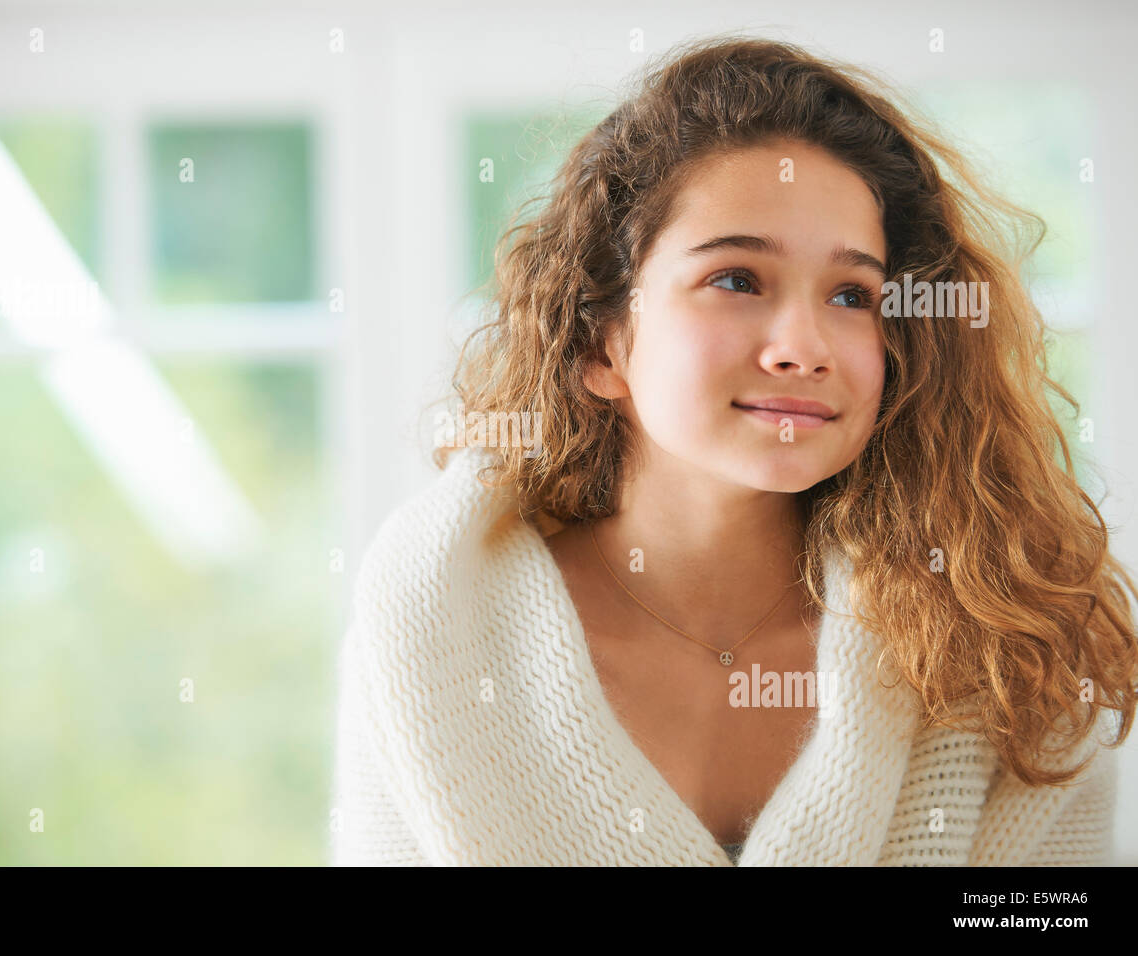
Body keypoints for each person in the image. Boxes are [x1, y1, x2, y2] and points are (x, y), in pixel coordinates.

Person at [329, 35, 1138, 866]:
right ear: (603, 345)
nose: (804, 346)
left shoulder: (1009, 647)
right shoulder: (433, 615)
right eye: (737, 279)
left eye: (853, 295)